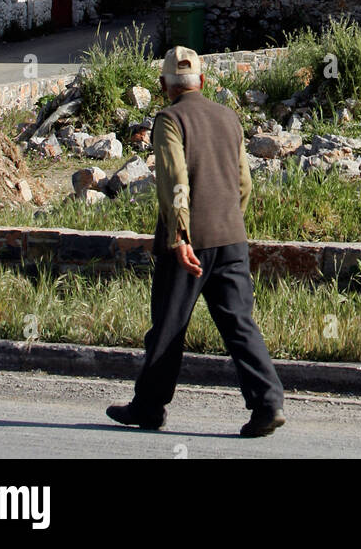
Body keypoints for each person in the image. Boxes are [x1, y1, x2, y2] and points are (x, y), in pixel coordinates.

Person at [106, 44, 285, 437]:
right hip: (231, 237)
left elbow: (175, 180)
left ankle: (150, 407)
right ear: (202, 81)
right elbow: (243, 183)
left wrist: (182, 234)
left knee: (168, 326)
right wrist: (228, 220)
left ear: (164, 85)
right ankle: (267, 402)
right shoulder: (228, 117)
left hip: (188, 243)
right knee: (239, 323)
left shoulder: (169, 120)